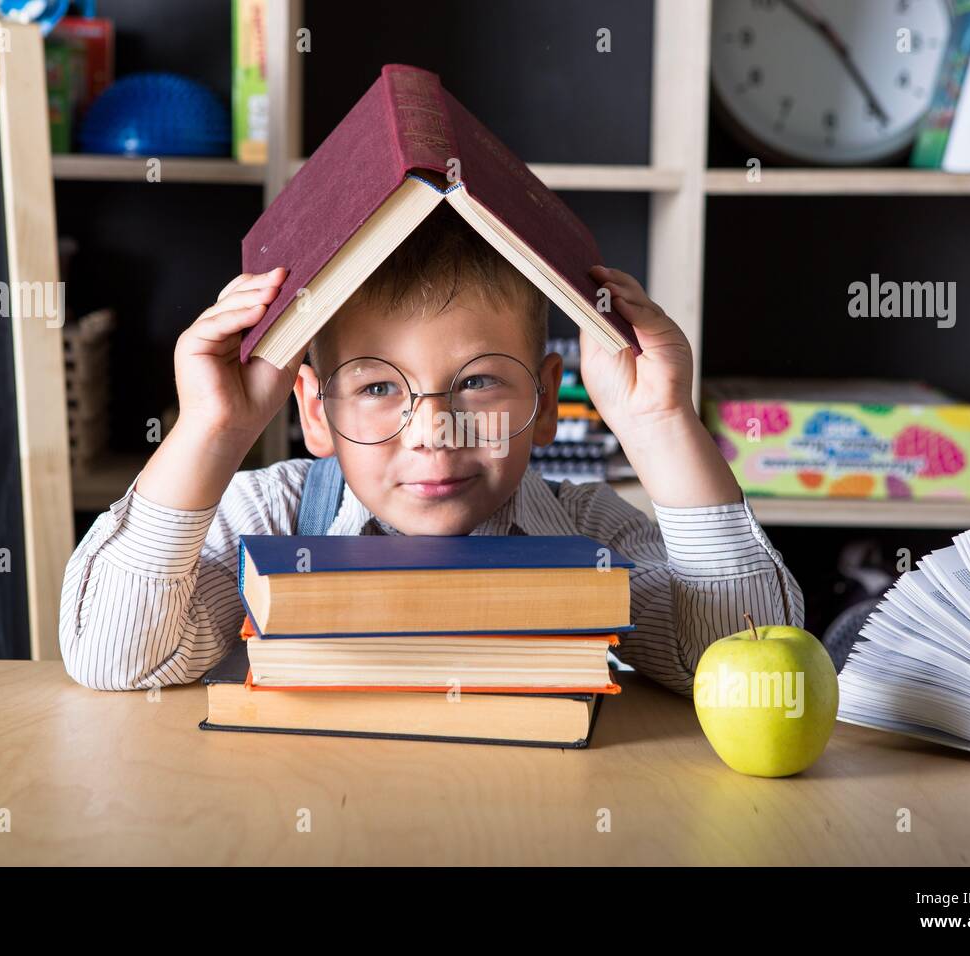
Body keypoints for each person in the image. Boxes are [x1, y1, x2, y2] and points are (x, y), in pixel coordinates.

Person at [59, 206, 802, 692]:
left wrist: (660, 421)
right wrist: (209, 432)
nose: (432, 430)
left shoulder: (590, 532)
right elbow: (116, 656)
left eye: (477, 381)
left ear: (545, 401)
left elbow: (743, 665)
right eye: (380, 388)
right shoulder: (272, 517)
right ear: (316, 414)